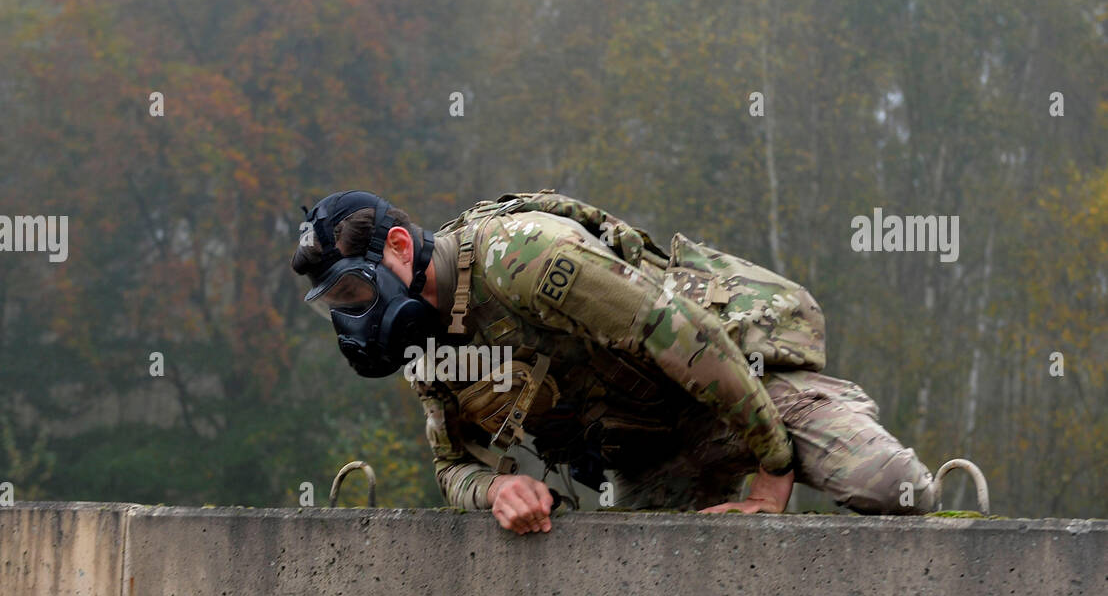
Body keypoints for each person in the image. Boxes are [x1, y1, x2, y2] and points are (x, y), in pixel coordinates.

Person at [292, 188, 962, 535]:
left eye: (355, 291)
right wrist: (497, 489)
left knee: (892, 487)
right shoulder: (431, 352)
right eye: (336, 306)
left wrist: (772, 469)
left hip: (732, 387)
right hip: (654, 455)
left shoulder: (521, 257)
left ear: (400, 247)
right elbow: (450, 466)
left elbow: (677, 331)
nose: (354, 316)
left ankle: (830, 414)